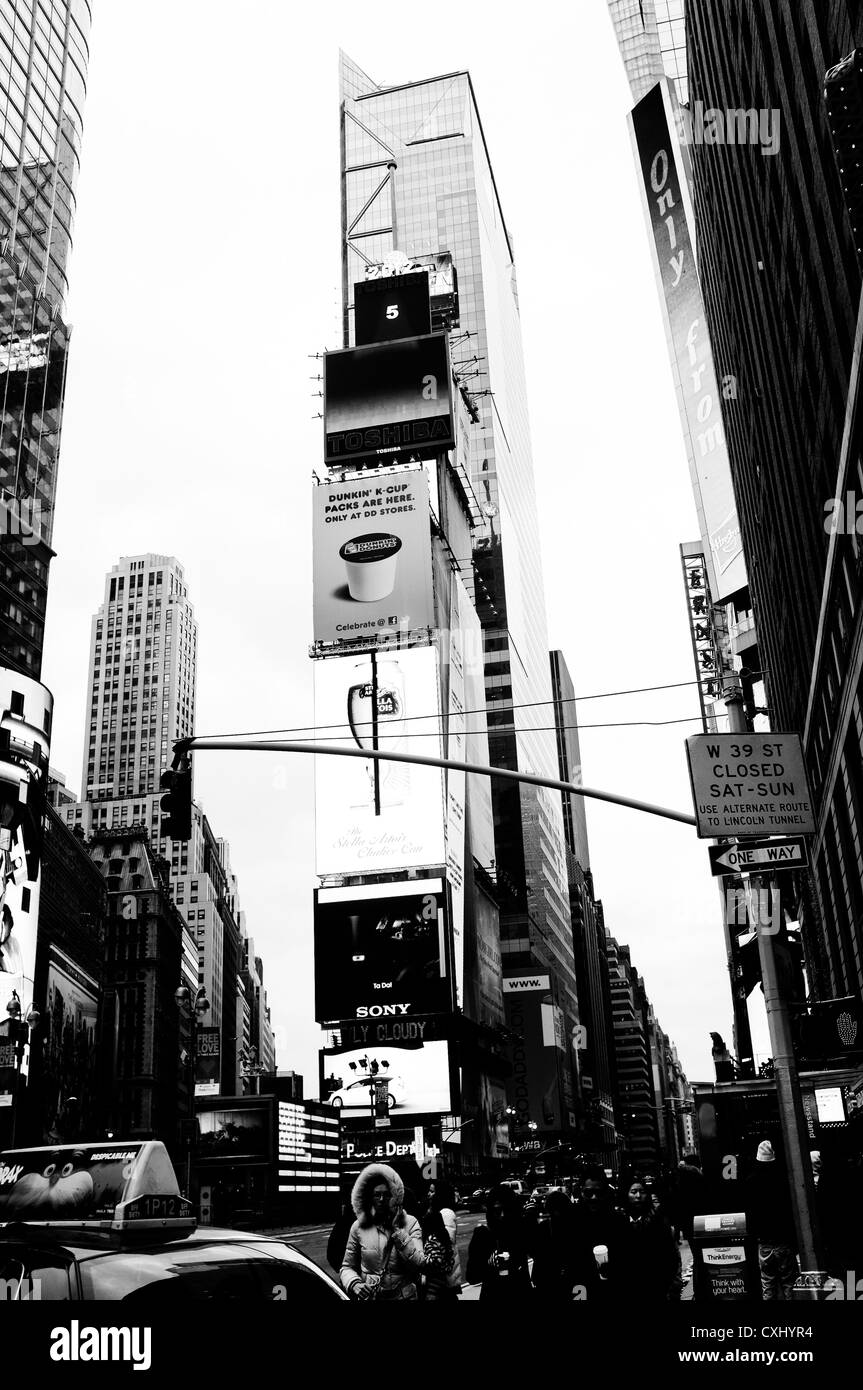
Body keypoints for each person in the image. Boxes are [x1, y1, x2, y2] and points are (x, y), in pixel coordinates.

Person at [340, 1163, 425, 1301]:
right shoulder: (358, 1227)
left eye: (386, 1195)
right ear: (370, 1197)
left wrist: (398, 1231)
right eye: (376, 1195)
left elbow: (419, 1264)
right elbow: (346, 1267)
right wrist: (354, 1283)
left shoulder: (410, 1223)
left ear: (394, 1196)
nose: (381, 1199)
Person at [608, 1177, 682, 1301]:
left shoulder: (658, 1221)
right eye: (633, 1192)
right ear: (626, 1194)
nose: (638, 1196)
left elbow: (672, 1255)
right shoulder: (617, 1222)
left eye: (642, 1192)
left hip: (657, 1287)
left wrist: (674, 1285)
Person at [745, 1140, 799, 1300]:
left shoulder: (751, 1181)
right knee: (789, 1284)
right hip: (783, 1240)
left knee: (768, 1285)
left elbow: (750, 1214)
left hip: (765, 1242)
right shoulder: (783, 1179)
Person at [465, 1185, 533, 1302]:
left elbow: (538, 1252)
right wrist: (488, 1262)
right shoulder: (482, 1236)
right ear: (491, 1211)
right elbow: (472, 1277)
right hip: (493, 1294)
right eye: (497, 1210)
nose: (502, 1215)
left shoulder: (520, 1231)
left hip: (519, 1293)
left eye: (506, 1210)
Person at [570, 1167, 626, 1301]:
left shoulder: (617, 1219)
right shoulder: (572, 1219)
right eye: (589, 1193)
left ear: (605, 1192)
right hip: (581, 1285)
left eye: (598, 1192)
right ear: (581, 1192)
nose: (594, 1197)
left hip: (613, 1286)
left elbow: (626, 1254)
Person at [531, 1190, 576, 1302]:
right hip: (571, 1280)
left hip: (547, 1280)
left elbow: (535, 1253)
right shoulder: (574, 1228)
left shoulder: (544, 1227)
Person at [422, 1177, 461, 1301]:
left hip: (442, 1280)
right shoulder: (435, 1212)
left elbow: (443, 1246)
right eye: (429, 1191)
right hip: (440, 1280)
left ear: (440, 1194)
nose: (429, 1194)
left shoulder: (446, 1213)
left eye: (432, 1191)